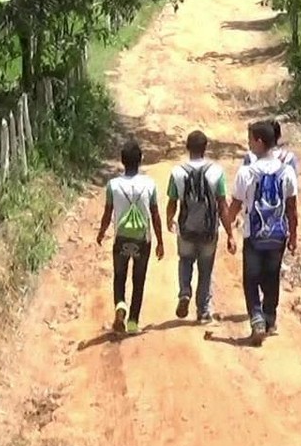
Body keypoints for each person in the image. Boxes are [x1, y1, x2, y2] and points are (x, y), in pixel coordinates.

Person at [227, 120, 298, 346]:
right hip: (278, 235)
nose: (248, 144)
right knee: (271, 277)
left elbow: (235, 205)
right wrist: (293, 236)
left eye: (250, 140)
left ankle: (257, 318)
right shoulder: (287, 172)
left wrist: (228, 226)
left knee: (251, 278)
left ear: (259, 141)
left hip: (254, 235)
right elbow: (292, 208)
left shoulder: (247, 172)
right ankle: (269, 318)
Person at [165, 130, 235, 324]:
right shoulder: (216, 172)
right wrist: (230, 233)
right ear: (206, 148)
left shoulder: (177, 172)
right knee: (206, 269)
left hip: (186, 229)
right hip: (209, 231)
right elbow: (222, 205)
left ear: (187, 148)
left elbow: (172, 202)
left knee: (185, 260)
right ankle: (203, 311)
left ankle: (184, 293)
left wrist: (169, 219)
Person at [96, 140, 165, 334]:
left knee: (119, 276)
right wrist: (160, 241)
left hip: (121, 238)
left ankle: (120, 306)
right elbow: (155, 215)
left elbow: (107, 214)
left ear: (122, 161)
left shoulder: (113, 185)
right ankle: (133, 322)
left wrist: (101, 233)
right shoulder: (149, 184)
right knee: (139, 279)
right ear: (141, 160)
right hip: (143, 240)